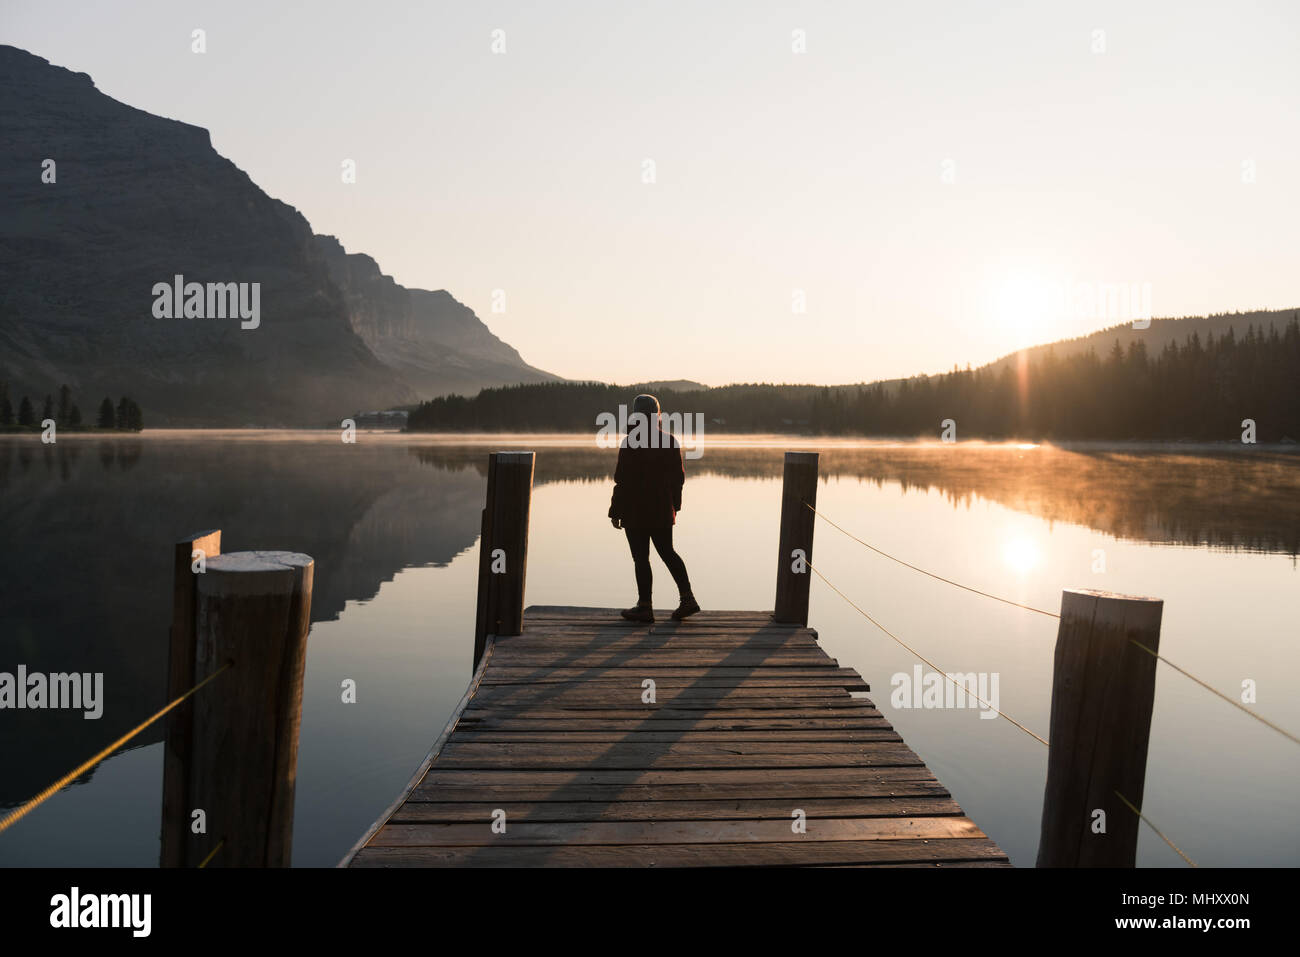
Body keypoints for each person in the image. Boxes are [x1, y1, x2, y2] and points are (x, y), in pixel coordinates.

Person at [608, 394, 700, 622]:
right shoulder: (669, 441)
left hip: (635, 511)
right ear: (657, 416)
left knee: (641, 558)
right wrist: (674, 507)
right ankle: (687, 598)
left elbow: (622, 480)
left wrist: (616, 511)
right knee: (668, 552)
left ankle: (645, 606)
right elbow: (678, 480)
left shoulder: (630, 442)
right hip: (661, 509)